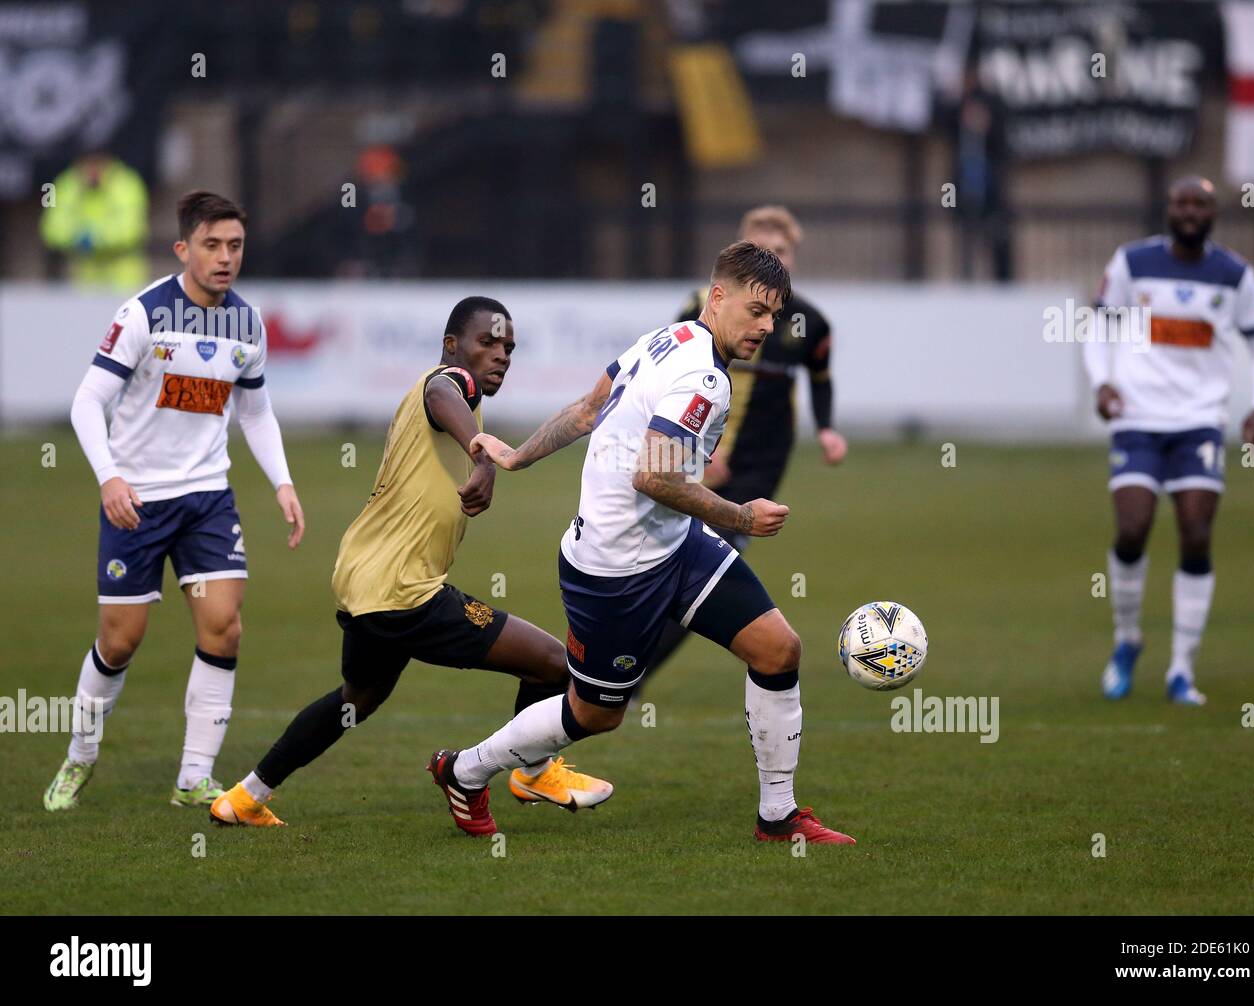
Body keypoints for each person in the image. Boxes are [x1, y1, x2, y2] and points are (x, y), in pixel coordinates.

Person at [441, 242, 856, 845]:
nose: (767, 327)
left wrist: (517, 456)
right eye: (757, 310)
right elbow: (654, 478)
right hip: (615, 570)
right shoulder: (704, 378)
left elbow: (589, 410)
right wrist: (741, 515)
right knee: (594, 714)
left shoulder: (672, 335)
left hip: (676, 545)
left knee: (778, 650)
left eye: (775, 315)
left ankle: (778, 816)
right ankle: (464, 769)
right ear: (719, 296)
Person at [210, 297, 612, 828]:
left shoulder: (454, 398)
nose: (500, 355)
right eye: (487, 342)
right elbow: (443, 390)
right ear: (452, 346)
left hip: (362, 579)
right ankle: (532, 772)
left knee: (358, 698)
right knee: (554, 664)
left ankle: (243, 797)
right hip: (406, 592)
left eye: (508, 347)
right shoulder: (451, 382)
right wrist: (482, 452)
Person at [45, 191, 305, 811]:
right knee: (121, 641)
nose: (225, 258)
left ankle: (193, 778)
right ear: (183, 248)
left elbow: (256, 410)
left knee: (224, 626)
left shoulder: (247, 323)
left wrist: (283, 482)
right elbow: (87, 401)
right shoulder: (144, 314)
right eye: (212, 246)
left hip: (207, 499)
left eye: (235, 246)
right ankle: (79, 757)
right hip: (136, 500)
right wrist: (109, 477)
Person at [1086, 176, 1254, 706]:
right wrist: (1102, 382)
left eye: (1200, 203)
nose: (1189, 211)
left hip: (1199, 422)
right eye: (1181, 202)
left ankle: (1180, 670)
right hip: (1138, 417)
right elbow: (1097, 327)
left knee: (1195, 532)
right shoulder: (1131, 262)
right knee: (1133, 527)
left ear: (1214, 213)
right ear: (1168, 209)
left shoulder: (1235, 275)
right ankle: (1127, 639)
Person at [640, 205, 845, 686]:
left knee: (704, 567)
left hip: (761, 464)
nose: (775, 258)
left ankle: (629, 676)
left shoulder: (811, 322)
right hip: (703, 460)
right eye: (763, 250)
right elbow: (676, 381)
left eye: (783, 251)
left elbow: (821, 379)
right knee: (677, 565)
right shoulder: (698, 308)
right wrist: (700, 458)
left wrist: (828, 428)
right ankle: (621, 671)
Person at [40, 152, 150, 290]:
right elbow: (51, 228)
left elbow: (132, 228)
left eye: (97, 162)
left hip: (123, 278)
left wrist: (96, 238)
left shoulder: (127, 183)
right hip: (80, 277)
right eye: (87, 163)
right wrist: (76, 236)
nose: (91, 170)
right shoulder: (64, 184)